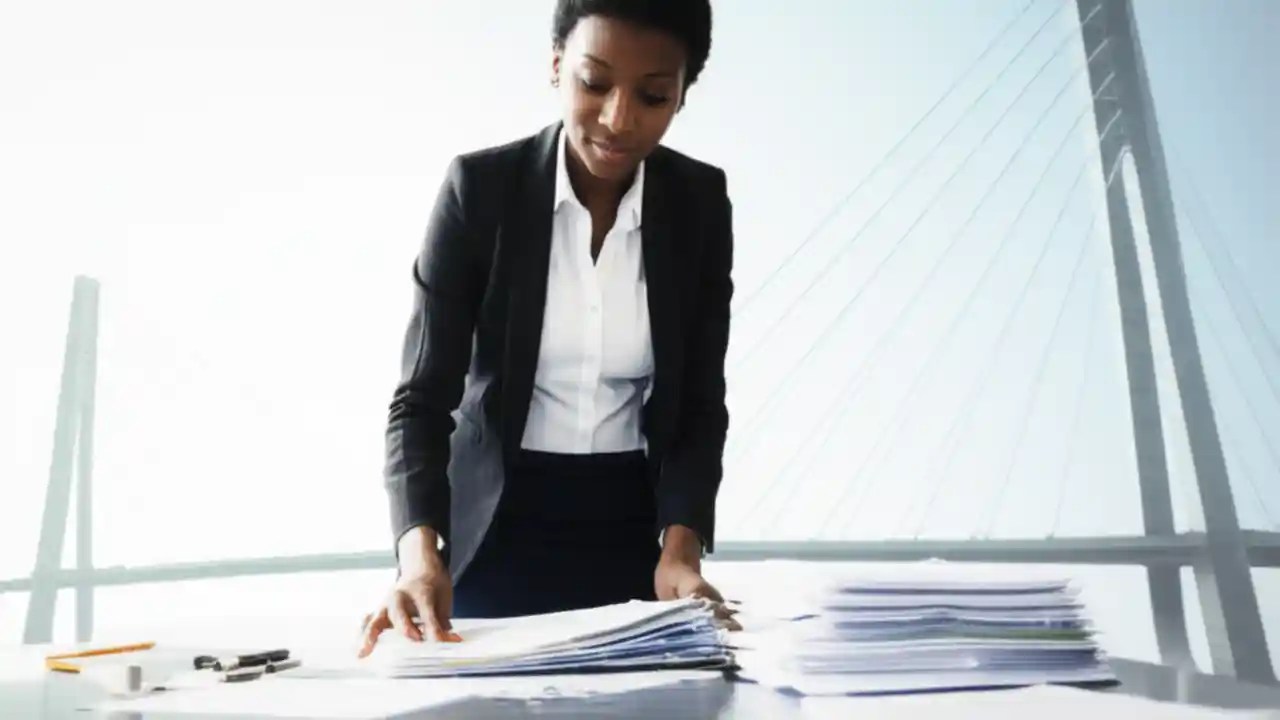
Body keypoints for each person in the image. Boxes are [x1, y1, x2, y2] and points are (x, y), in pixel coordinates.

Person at [360, 0, 734, 656]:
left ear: (683, 96)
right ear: (557, 65)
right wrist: (418, 558)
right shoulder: (479, 192)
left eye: (652, 96)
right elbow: (419, 403)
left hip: (636, 544)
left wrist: (682, 554)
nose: (618, 119)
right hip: (491, 535)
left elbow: (699, 407)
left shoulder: (699, 204)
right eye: (594, 84)